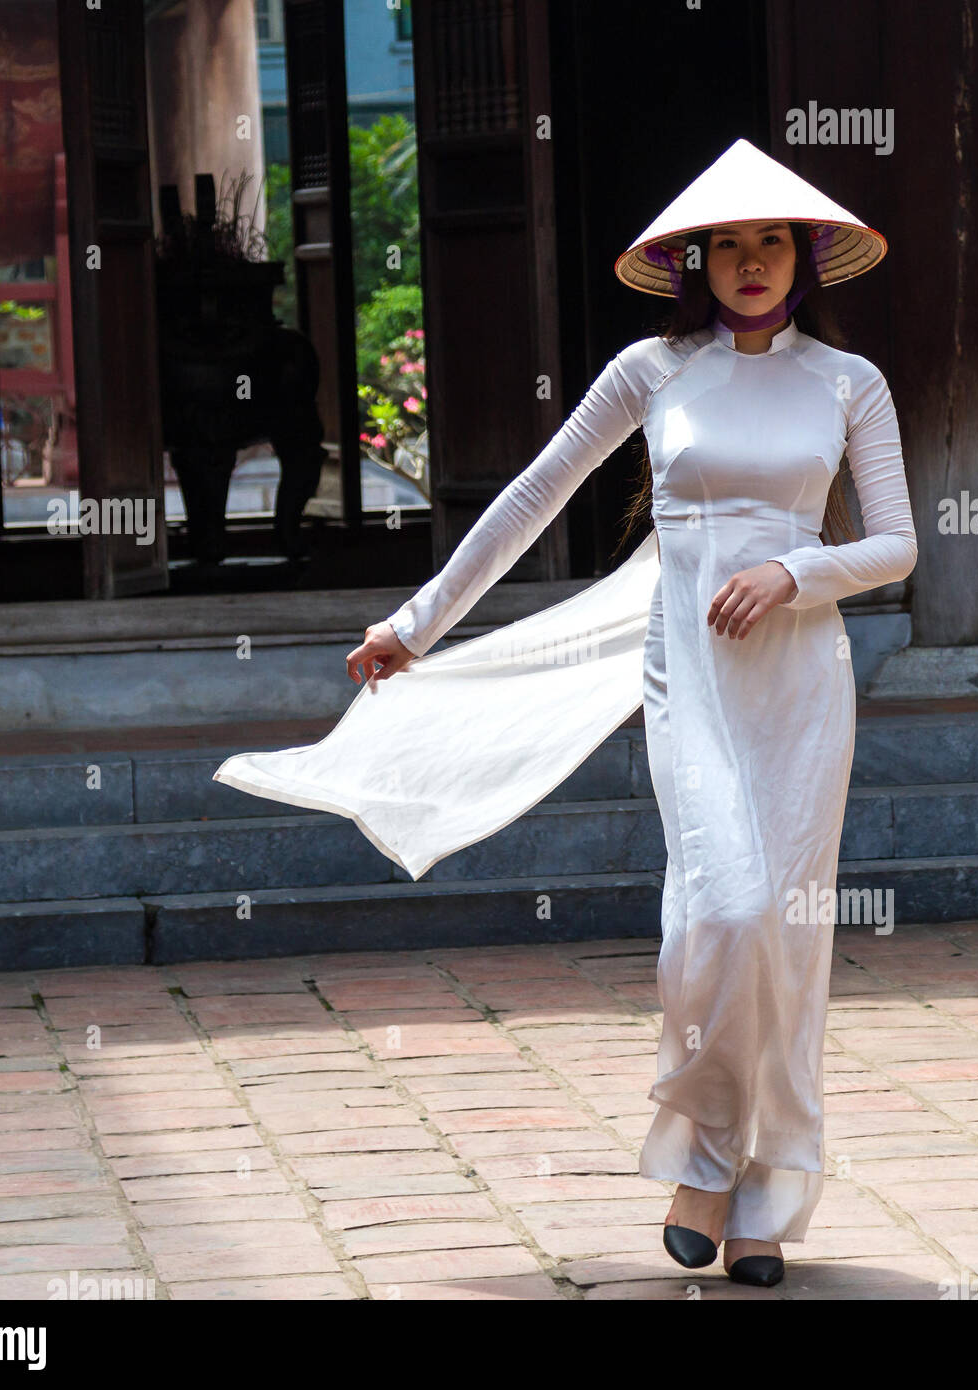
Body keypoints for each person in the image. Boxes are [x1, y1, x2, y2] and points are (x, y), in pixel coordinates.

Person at [215, 138, 917, 1288]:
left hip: (801, 682)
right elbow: (535, 493)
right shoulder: (653, 369)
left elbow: (896, 543)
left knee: (785, 934)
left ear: (804, 254)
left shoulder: (850, 384)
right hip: (687, 674)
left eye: (770, 240)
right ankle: (703, 1155)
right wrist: (417, 623)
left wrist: (797, 571)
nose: (749, 261)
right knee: (726, 910)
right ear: (693, 261)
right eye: (726, 243)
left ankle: (761, 1193)